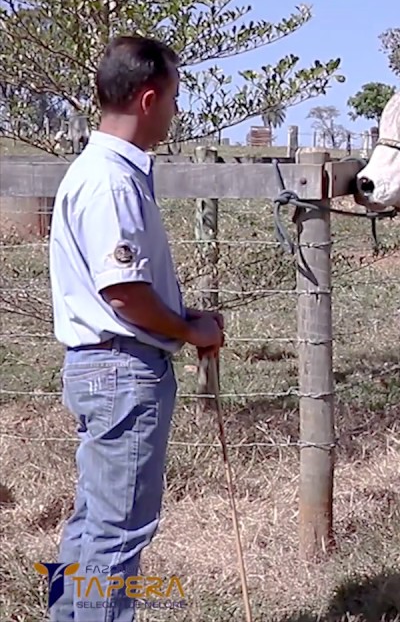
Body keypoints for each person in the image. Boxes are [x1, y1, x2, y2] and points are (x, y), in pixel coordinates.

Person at [47, 35, 225, 622]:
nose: (175, 111)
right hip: (122, 369)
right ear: (149, 99)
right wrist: (188, 331)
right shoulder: (111, 181)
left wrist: (181, 319)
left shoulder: (102, 172)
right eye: (173, 98)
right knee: (118, 533)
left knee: (92, 524)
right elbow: (123, 292)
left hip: (104, 365)